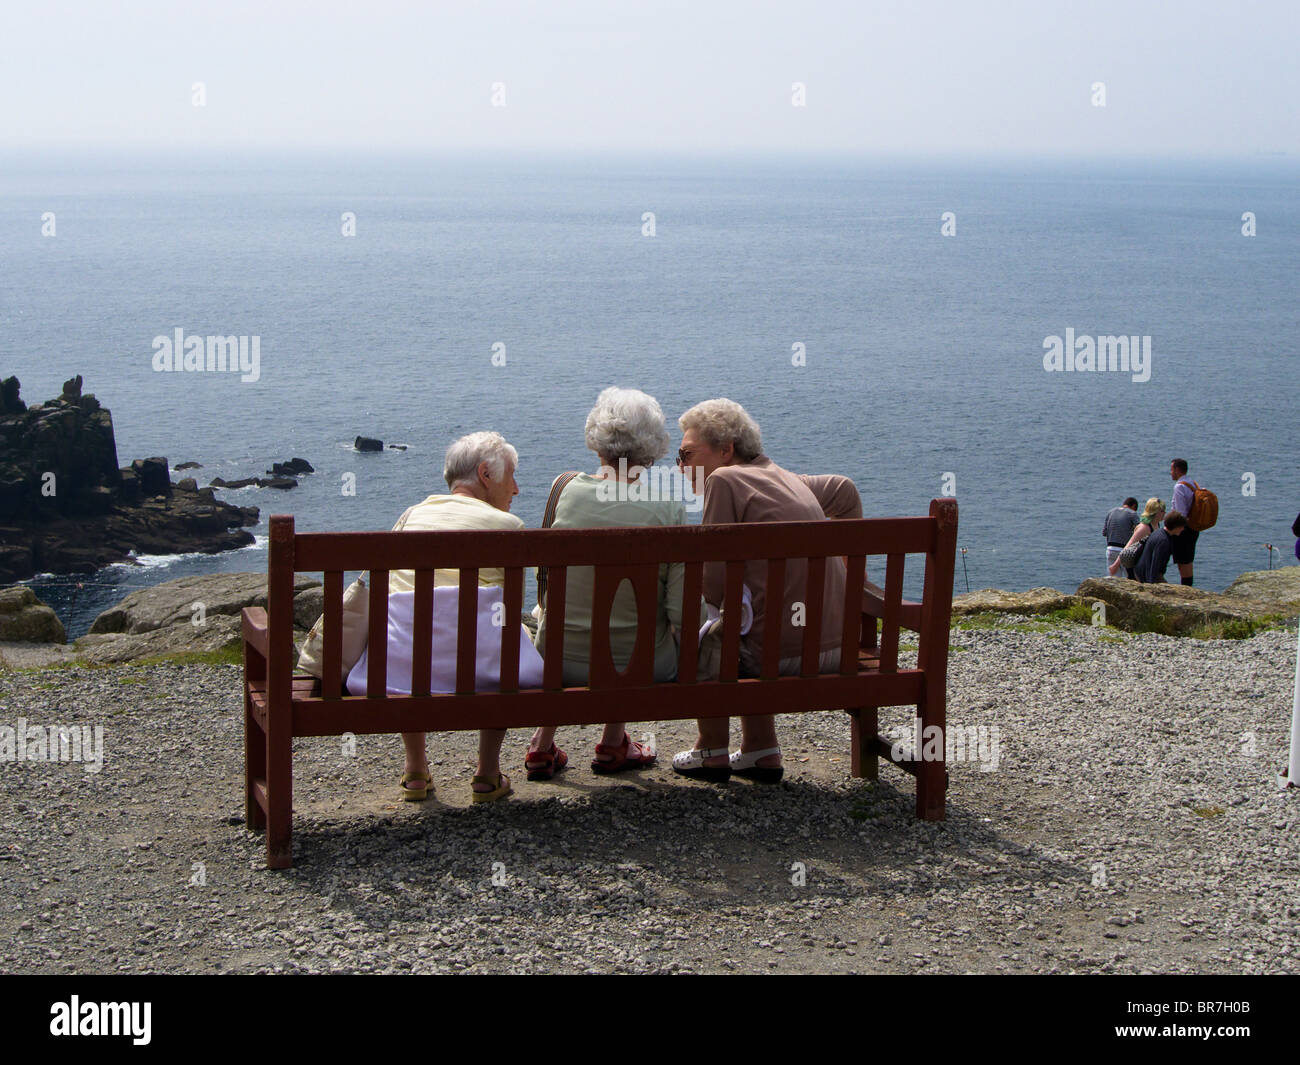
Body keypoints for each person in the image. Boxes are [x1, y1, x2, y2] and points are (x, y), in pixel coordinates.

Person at [670, 398, 861, 784]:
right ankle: (761, 748)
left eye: (686, 454)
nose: (681, 466)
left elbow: (712, 580)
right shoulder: (788, 479)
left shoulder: (723, 480)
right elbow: (844, 491)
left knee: (705, 634)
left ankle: (711, 750)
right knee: (752, 619)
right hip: (839, 647)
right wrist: (847, 573)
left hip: (780, 657)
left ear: (726, 450)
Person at [525, 388, 698, 778]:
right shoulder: (669, 508)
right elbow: (682, 612)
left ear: (596, 438)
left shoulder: (563, 490)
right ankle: (613, 741)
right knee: (633, 623)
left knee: (564, 610)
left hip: (558, 663)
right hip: (643, 666)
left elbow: (548, 584)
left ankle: (542, 742)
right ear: (651, 447)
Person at [384, 431, 523, 804]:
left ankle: (415, 770)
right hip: (482, 669)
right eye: (511, 476)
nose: (517, 489)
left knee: (413, 627)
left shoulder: (411, 517)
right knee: (503, 639)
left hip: (403, 670)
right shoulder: (508, 529)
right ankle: (487, 774)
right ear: (485, 474)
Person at [1108, 498, 1165, 578]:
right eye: (1162, 511)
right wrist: (1115, 565)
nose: (1164, 513)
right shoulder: (1144, 528)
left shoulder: (1157, 525)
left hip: (1146, 564)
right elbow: (1128, 546)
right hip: (1135, 566)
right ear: (1154, 512)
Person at [1167, 459, 1200, 586]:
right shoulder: (1192, 483)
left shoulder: (1180, 486)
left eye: (1171, 469)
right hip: (1194, 527)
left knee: (1183, 563)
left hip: (1183, 530)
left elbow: (1180, 513)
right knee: (1188, 561)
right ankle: (1188, 587)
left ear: (1176, 470)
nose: (1170, 473)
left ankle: (1186, 590)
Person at [1134, 511, 1188, 584]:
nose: (1183, 529)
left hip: (1139, 570)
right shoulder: (1163, 541)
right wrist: (1151, 585)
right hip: (1146, 575)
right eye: (1182, 527)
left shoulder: (1158, 532)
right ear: (1176, 526)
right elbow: (1155, 563)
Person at [1103, 497, 1140, 575]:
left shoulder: (1110, 512)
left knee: (1113, 580)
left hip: (1110, 549)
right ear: (1133, 506)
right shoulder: (1132, 514)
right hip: (1125, 551)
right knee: (1130, 579)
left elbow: (1104, 532)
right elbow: (1139, 532)